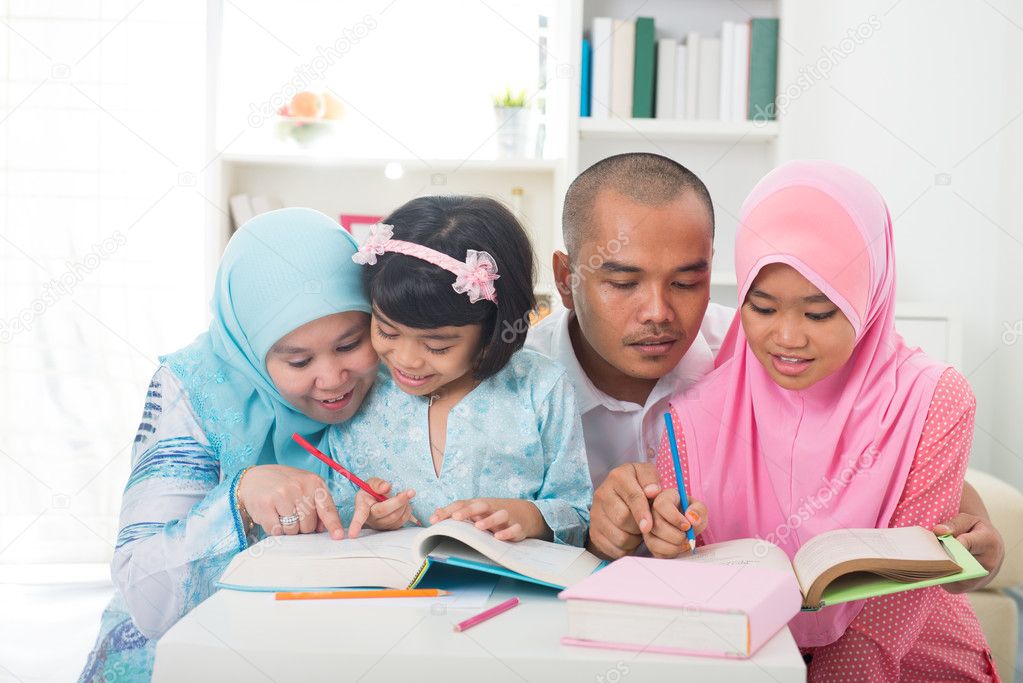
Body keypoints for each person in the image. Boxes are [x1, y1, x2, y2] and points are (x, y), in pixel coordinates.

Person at [536, 153, 1004, 590]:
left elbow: (881, 450)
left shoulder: (754, 352)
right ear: (566, 280)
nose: (658, 312)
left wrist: (970, 524)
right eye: (623, 282)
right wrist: (597, 540)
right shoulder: (513, 381)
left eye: (685, 282)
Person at [650, 160, 998, 680]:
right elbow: (686, 591)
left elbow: (898, 596)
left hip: (908, 657)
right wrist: (664, 539)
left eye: (819, 313)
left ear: (868, 297)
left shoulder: (934, 401)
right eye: (762, 308)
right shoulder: (690, 417)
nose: (787, 338)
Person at [79, 208, 377, 682]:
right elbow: (142, 588)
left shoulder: (399, 367)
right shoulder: (194, 389)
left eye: (349, 344)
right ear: (248, 348)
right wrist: (237, 497)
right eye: (298, 360)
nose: (333, 379)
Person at [328, 196, 592, 546]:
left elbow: (579, 514)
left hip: (515, 596)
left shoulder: (540, 388)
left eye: (437, 346)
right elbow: (335, 505)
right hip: (385, 593)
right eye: (387, 331)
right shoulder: (362, 385)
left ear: (492, 330)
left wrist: (530, 517)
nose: (406, 360)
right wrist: (366, 513)